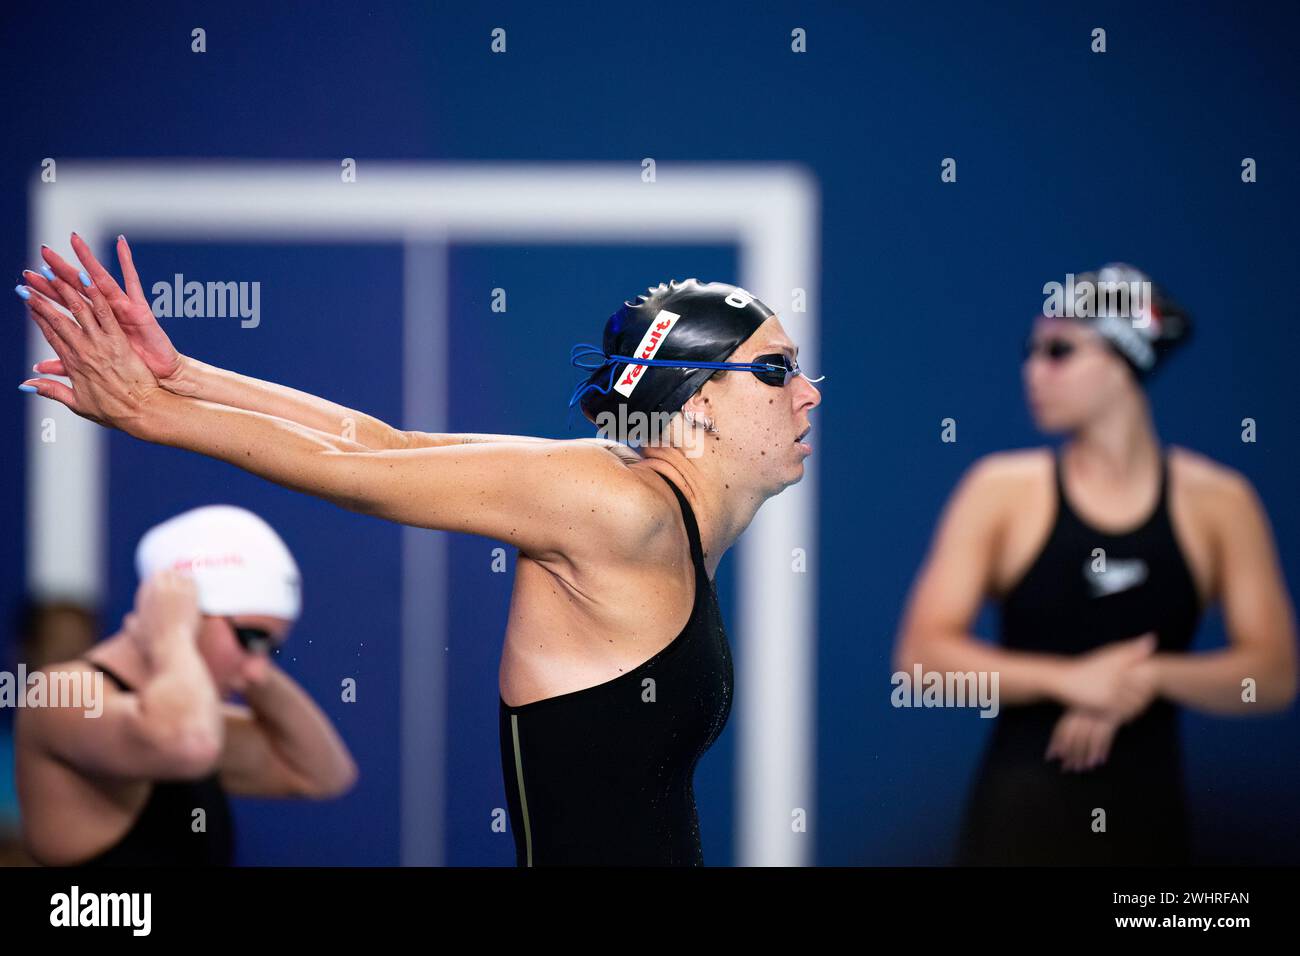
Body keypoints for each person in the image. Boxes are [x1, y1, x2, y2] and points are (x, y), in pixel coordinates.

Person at [17, 242, 823, 866]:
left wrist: (185, 375)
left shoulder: (659, 515)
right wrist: (152, 411)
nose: (809, 390)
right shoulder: (619, 508)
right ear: (702, 400)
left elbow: (378, 442)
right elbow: (356, 474)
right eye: (776, 370)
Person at [894, 264, 1297, 865]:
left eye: (1059, 350)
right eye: (1029, 351)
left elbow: (1274, 674)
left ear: (1124, 363)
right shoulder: (1002, 490)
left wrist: (1147, 679)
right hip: (1018, 828)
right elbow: (920, 664)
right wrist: (1071, 680)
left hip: (1153, 831)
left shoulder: (1219, 502)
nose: (1033, 371)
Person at [15, 505, 358, 866]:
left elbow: (323, 774)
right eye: (252, 637)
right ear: (188, 612)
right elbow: (188, 743)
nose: (260, 671)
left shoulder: (192, 722)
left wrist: (247, 661)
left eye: (271, 647)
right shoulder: (61, 694)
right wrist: (171, 633)